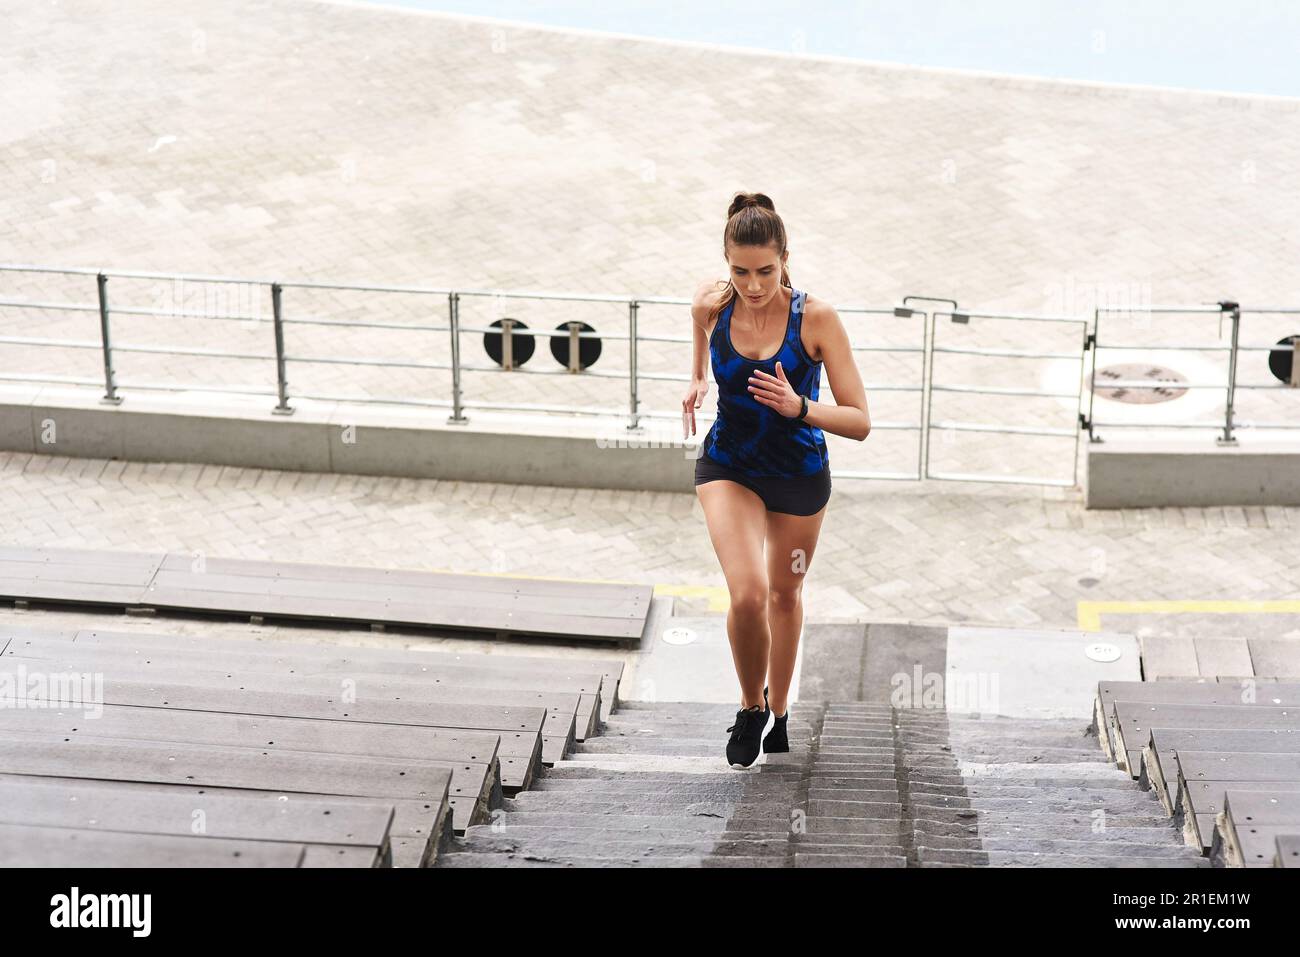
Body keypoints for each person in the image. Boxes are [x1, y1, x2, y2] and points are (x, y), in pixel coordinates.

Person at [682, 191, 871, 769]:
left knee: (784, 595)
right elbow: (702, 355)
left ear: (785, 258)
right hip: (729, 466)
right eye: (740, 271)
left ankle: (781, 709)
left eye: (766, 270)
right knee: (748, 593)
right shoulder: (710, 307)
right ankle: (750, 706)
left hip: (797, 475)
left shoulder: (816, 319)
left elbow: (860, 421)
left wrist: (800, 407)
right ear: (726, 262)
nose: (754, 284)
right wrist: (695, 382)